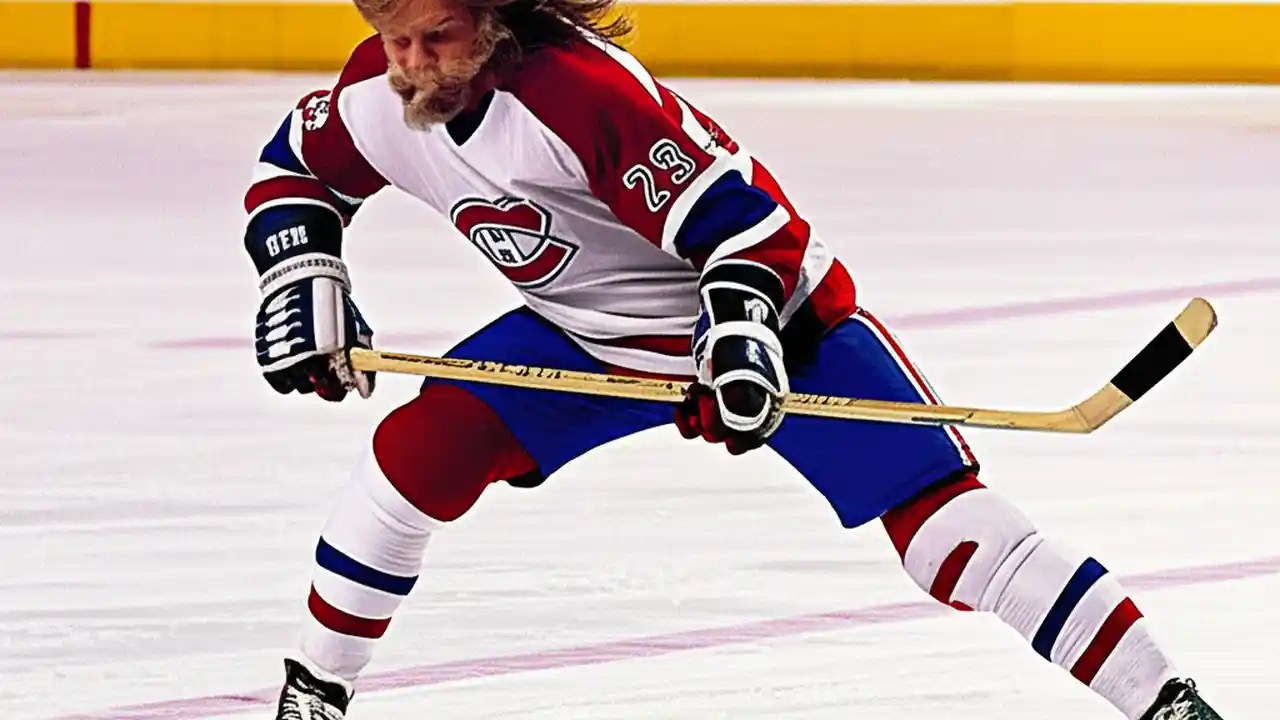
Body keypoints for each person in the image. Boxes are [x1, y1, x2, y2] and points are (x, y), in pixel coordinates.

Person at [243, 0, 1222, 717]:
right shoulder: (373, 93)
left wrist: (743, 344)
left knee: (950, 540)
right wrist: (299, 272)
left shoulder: (579, 96)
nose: (415, 64)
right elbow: (293, 171)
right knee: (409, 462)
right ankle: (313, 695)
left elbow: (751, 228)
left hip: (779, 324)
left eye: (438, 36)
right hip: (586, 334)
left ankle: (1167, 703)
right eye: (395, 38)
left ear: (496, 17)